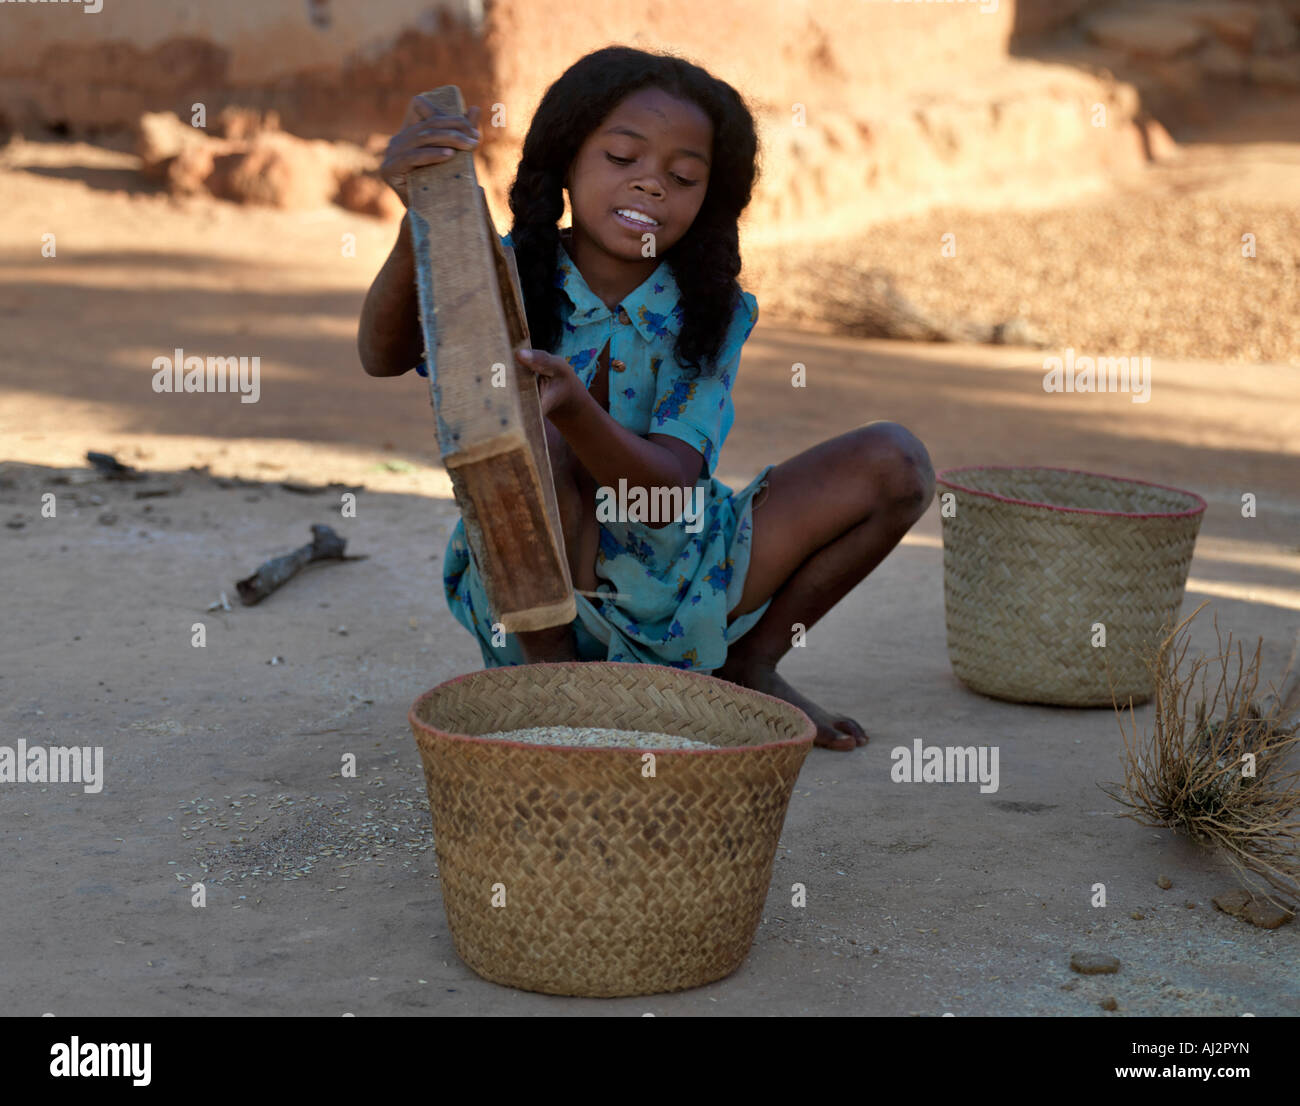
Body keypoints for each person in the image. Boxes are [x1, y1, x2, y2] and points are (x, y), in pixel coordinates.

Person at [358, 46, 935, 750]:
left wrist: (575, 403)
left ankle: (750, 664)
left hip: (685, 572)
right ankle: (559, 693)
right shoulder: (503, 271)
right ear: (568, 160)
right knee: (548, 445)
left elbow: (666, 483)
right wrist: (422, 214)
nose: (652, 186)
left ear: (708, 199)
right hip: (535, 587)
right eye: (622, 159)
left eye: (683, 176)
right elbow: (382, 357)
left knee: (896, 461)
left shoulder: (712, 310)